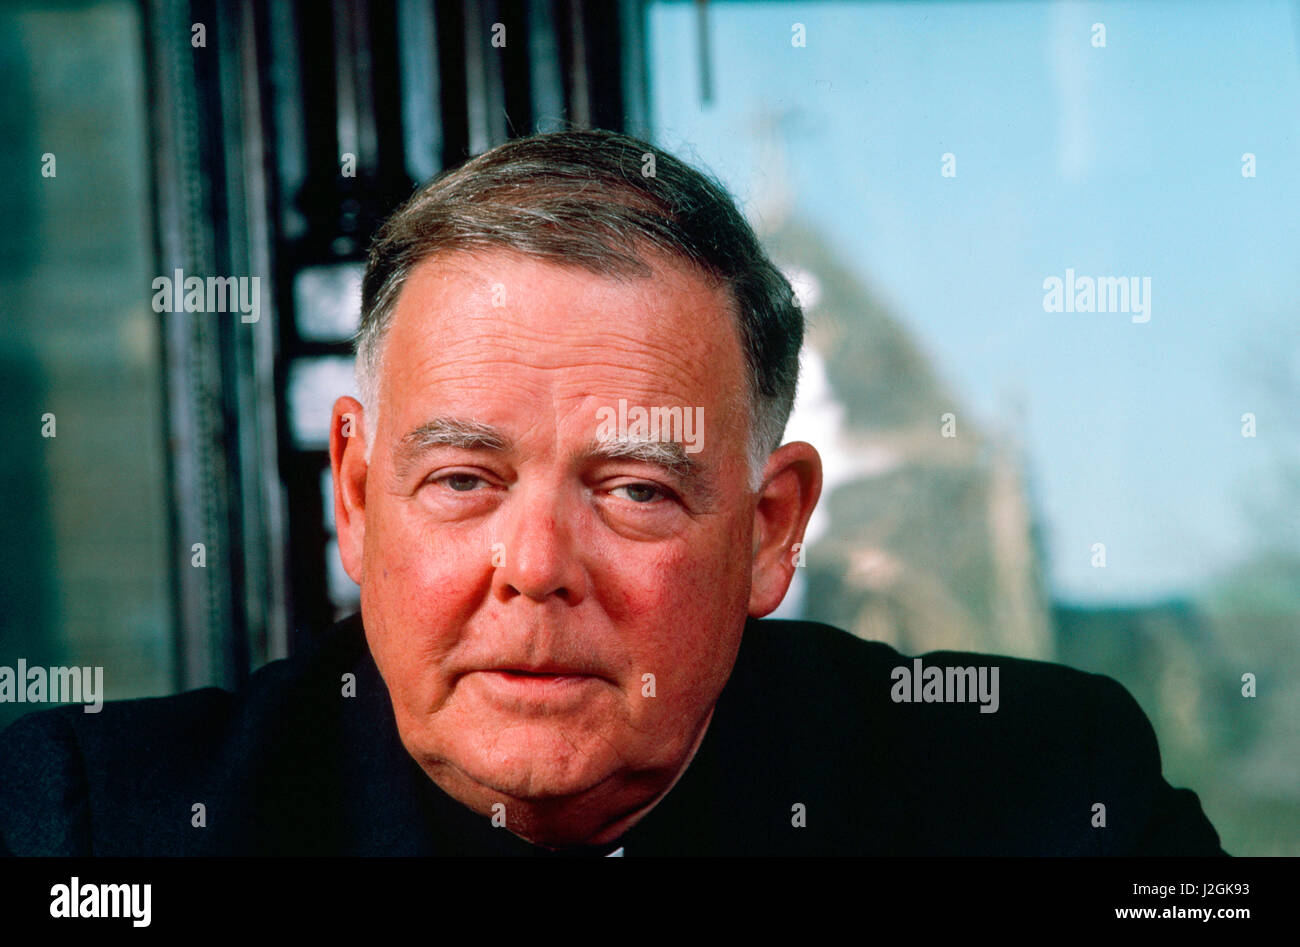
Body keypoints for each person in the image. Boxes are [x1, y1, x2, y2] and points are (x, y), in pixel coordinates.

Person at [0, 129, 1225, 855]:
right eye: (464, 478)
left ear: (771, 529)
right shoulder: (91, 826)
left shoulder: (1046, 797)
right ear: (357, 495)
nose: (535, 564)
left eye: (635, 488)